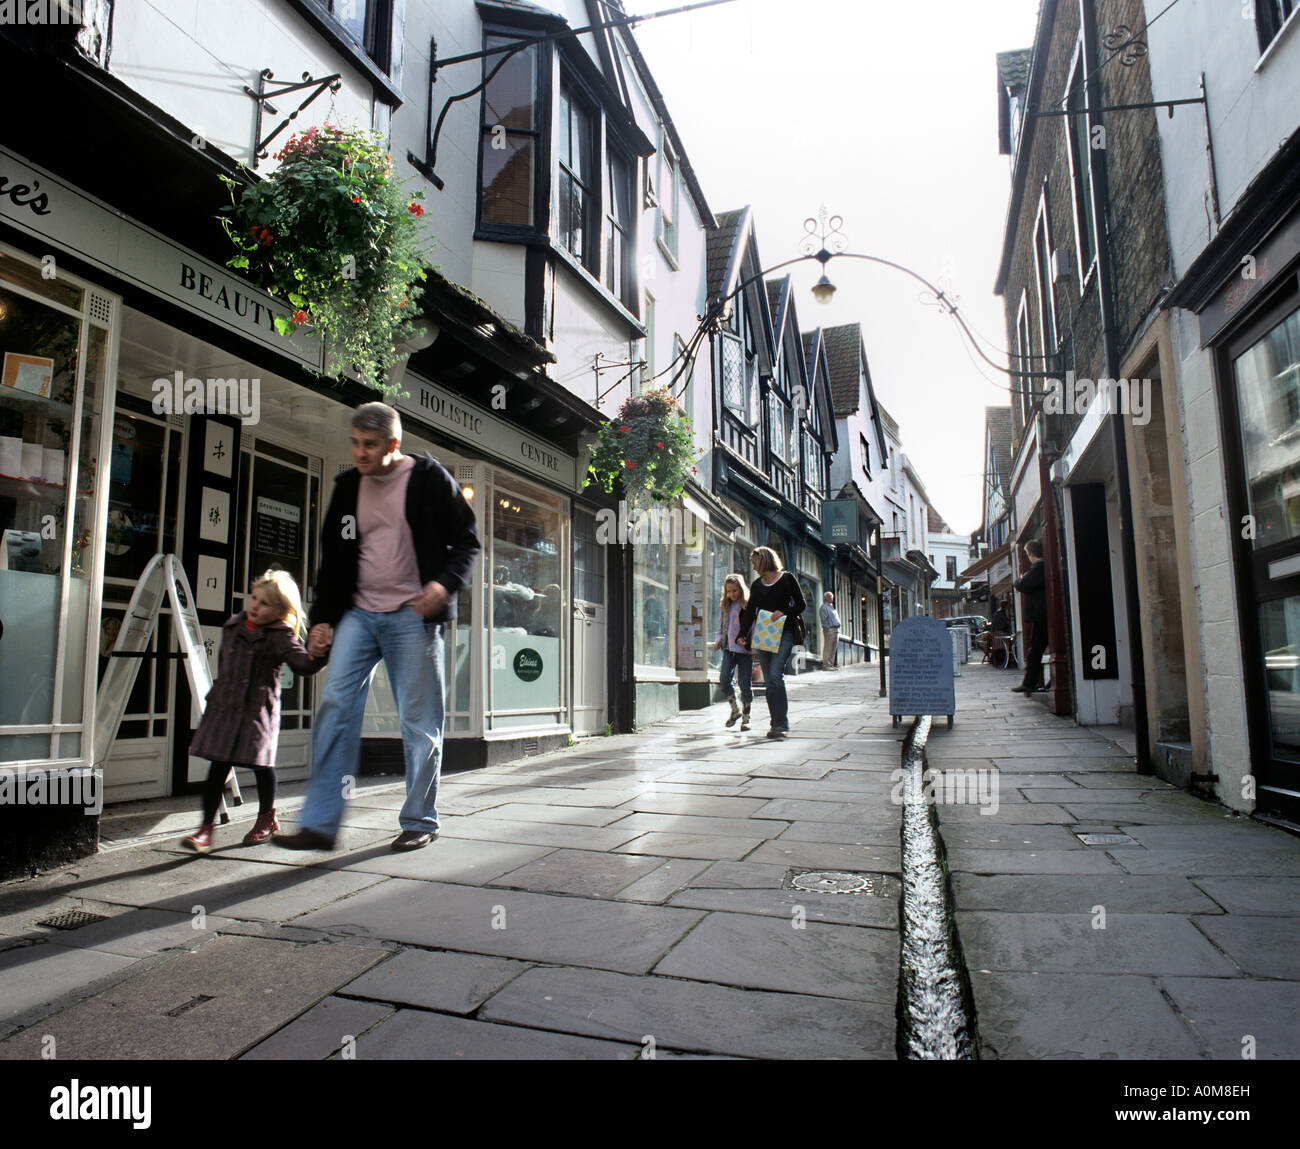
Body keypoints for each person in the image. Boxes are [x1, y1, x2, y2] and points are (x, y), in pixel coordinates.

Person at [274, 402, 480, 852]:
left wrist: (442, 588)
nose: (360, 453)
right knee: (335, 707)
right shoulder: (349, 487)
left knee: (420, 721)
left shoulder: (428, 479)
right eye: (354, 443)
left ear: (393, 444)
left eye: (369, 445)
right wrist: (324, 619)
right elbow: (335, 561)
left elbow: (467, 542)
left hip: (413, 616)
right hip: (360, 616)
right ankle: (320, 824)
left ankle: (420, 819)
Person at [181, 570, 324, 853]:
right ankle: (205, 829)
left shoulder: (280, 636)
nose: (256, 606)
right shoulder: (233, 626)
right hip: (225, 708)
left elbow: (302, 665)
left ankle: (267, 817)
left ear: (282, 611)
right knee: (217, 766)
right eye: (254, 598)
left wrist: (319, 654)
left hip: (257, 711)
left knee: (262, 766)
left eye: (265, 603)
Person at [738, 546, 806, 739]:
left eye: (755, 561)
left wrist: (783, 612)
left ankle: (781, 724)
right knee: (769, 681)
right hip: (764, 634)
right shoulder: (757, 585)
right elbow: (751, 611)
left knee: (776, 675)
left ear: (765, 560)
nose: (753, 565)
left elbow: (801, 604)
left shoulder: (787, 579)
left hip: (784, 632)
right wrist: (742, 635)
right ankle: (774, 724)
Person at [713, 573, 753, 730]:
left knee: (744, 684)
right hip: (729, 649)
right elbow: (721, 626)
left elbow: (753, 627)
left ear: (741, 589)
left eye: (735, 590)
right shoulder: (726, 606)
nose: (732, 594)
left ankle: (747, 717)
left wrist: (751, 645)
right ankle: (735, 710)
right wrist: (718, 640)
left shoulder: (747, 605)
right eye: (728, 591)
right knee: (724, 679)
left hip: (745, 651)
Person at [1012, 538, 1048, 693]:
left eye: (1027, 553)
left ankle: (1029, 683)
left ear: (1030, 553)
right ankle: (1034, 682)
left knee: (1035, 650)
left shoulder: (1038, 567)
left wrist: (1019, 578)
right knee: (1037, 649)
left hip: (1041, 615)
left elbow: (1021, 584)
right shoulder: (1041, 568)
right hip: (1044, 614)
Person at [820, 591, 841, 669]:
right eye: (830, 596)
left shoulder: (832, 606)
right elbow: (824, 619)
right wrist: (828, 629)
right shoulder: (824, 607)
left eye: (832, 596)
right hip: (830, 630)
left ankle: (831, 664)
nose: (832, 598)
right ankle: (826, 665)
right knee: (828, 647)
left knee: (833, 647)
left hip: (836, 629)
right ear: (826, 598)